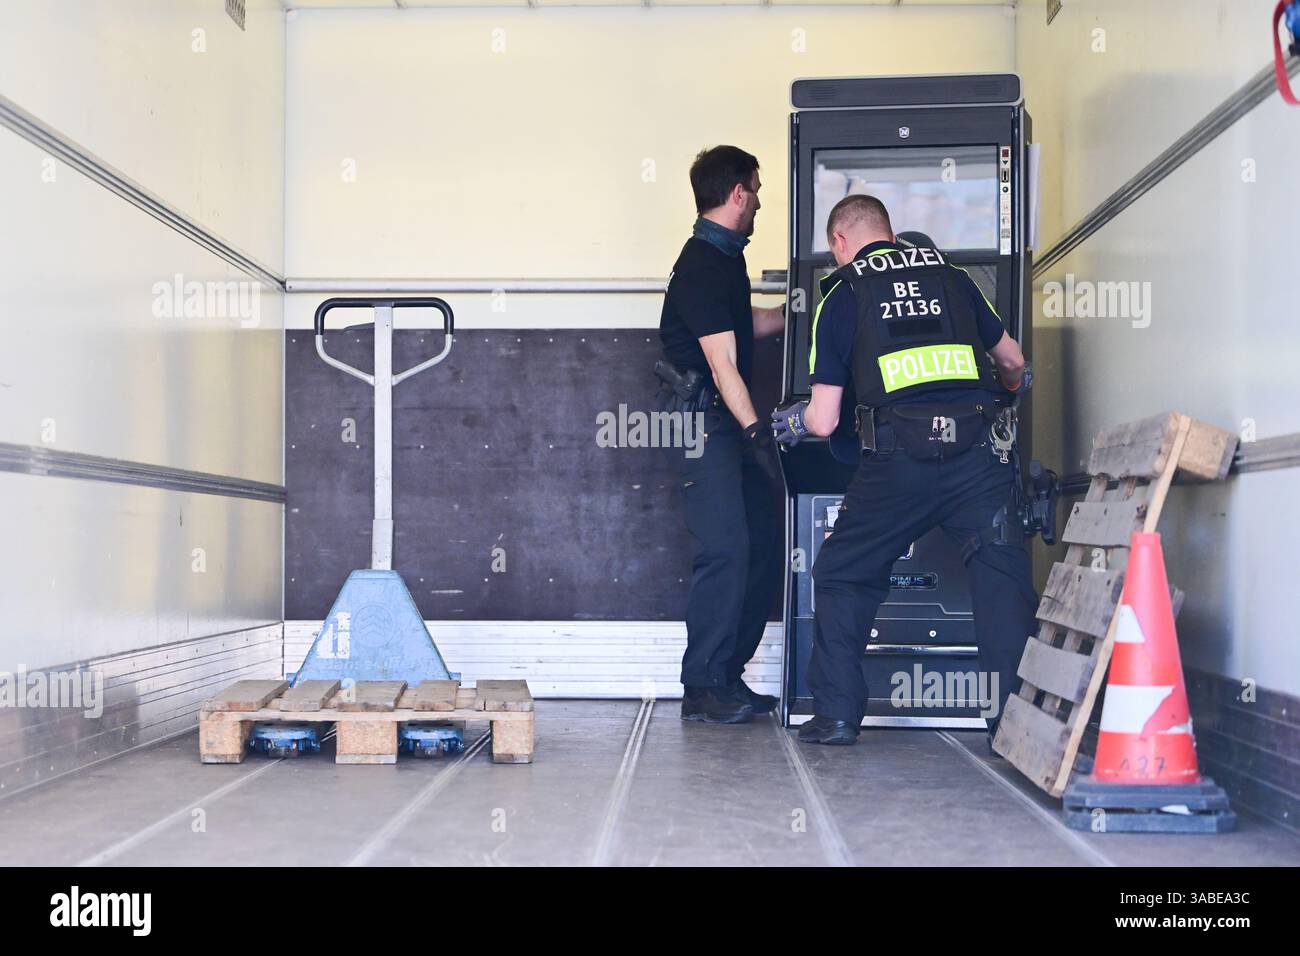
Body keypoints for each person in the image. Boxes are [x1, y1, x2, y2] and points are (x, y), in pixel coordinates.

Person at [771, 195, 1038, 745]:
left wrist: (787, 424)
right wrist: (1008, 392)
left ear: (839, 244)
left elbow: (824, 421)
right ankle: (1015, 730)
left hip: (897, 464)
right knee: (1000, 579)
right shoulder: (954, 278)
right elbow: (1013, 361)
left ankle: (839, 716)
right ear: (890, 233)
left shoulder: (843, 294)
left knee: (843, 573)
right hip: (978, 456)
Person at [656, 145, 786, 724]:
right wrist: (758, 432)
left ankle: (727, 676)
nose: (759, 200)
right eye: (756, 190)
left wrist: (801, 305)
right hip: (704, 425)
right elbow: (722, 362)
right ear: (738, 193)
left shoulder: (725, 259)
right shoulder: (702, 264)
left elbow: (742, 323)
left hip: (725, 423)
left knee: (759, 549)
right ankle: (702, 685)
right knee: (726, 550)